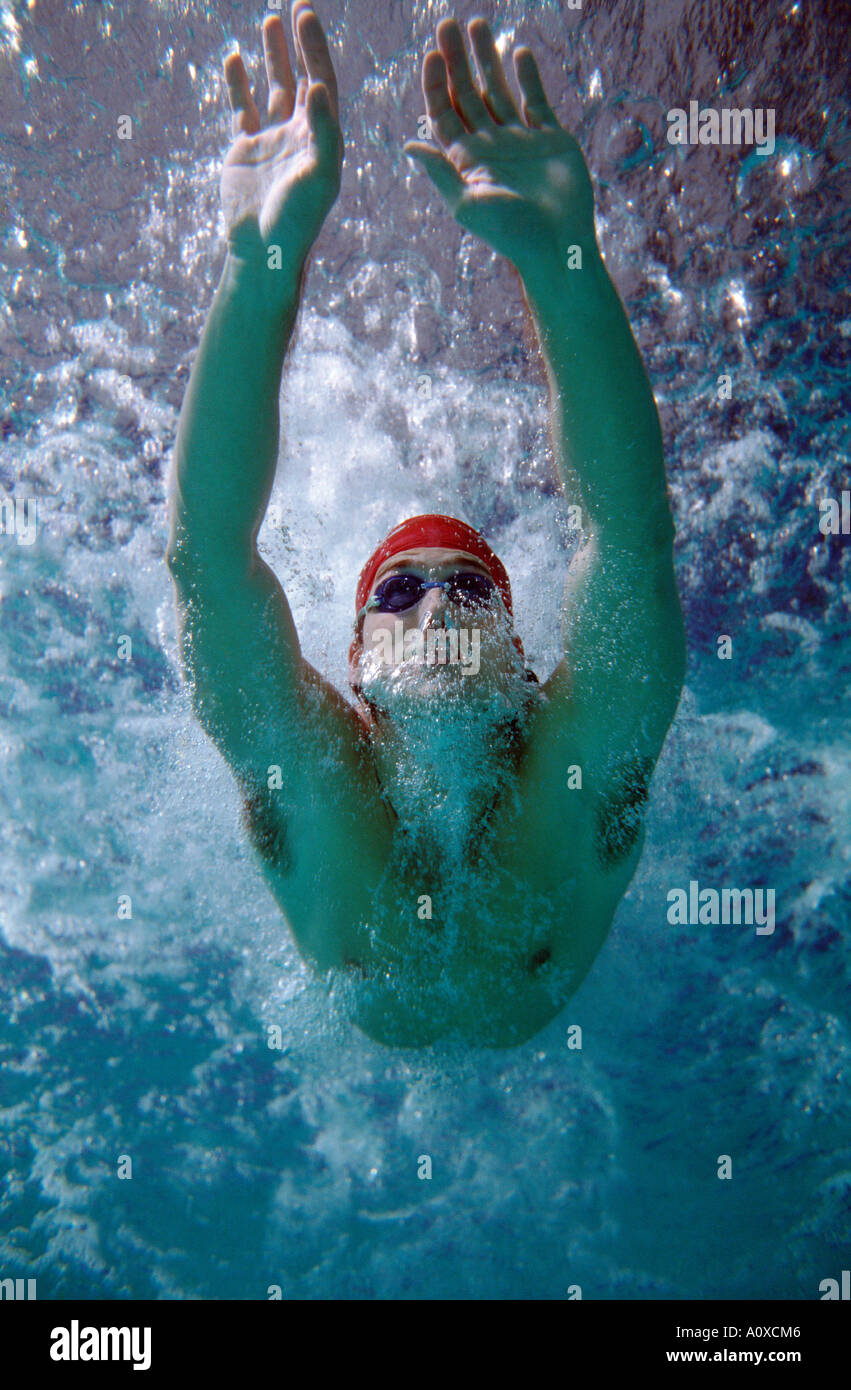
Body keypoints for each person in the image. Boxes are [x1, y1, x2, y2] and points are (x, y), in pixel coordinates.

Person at [166, 3, 686, 1048]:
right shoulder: (314, 780)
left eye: (469, 588)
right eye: (399, 592)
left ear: (519, 648)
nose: (438, 599)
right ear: (355, 660)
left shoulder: (574, 766)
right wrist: (259, 269)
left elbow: (627, 537)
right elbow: (208, 563)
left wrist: (561, 259)